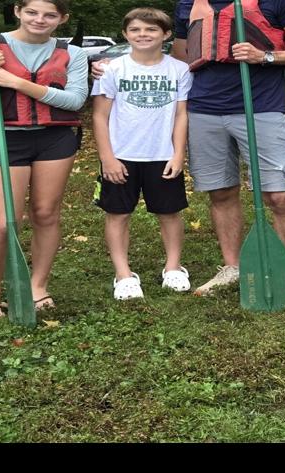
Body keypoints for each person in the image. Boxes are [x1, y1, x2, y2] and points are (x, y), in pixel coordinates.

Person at [170, 0, 285, 302]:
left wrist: (265, 56)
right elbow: (180, 55)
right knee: (220, 192)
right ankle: (233, 266)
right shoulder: (188, 5)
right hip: (203, 109)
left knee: (278, 195)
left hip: (261, 108)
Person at [0, 0, 89, 318]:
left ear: (62, 18)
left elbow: (75, 100)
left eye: (50, 14)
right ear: (17, 12)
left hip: (54, 138)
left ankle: (38, 286)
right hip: (3, 137)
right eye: (32, 12)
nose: (40, 19)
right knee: (3, 222)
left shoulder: (74, 53)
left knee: (46, 214)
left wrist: (19, 84)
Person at [92, 6, 194, 299]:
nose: (143, 35)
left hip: (162, 154)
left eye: (151, 29)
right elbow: (99, 116)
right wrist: (107, 157)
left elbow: (180, 115)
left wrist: (178, 154)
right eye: (135, 29)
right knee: (118, 213)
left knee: (169, 212)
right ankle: (123, 274)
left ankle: (173, 267)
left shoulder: (179, 69)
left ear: (166, 34)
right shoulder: (112, 69)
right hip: (122, 155)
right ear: (125, 34)